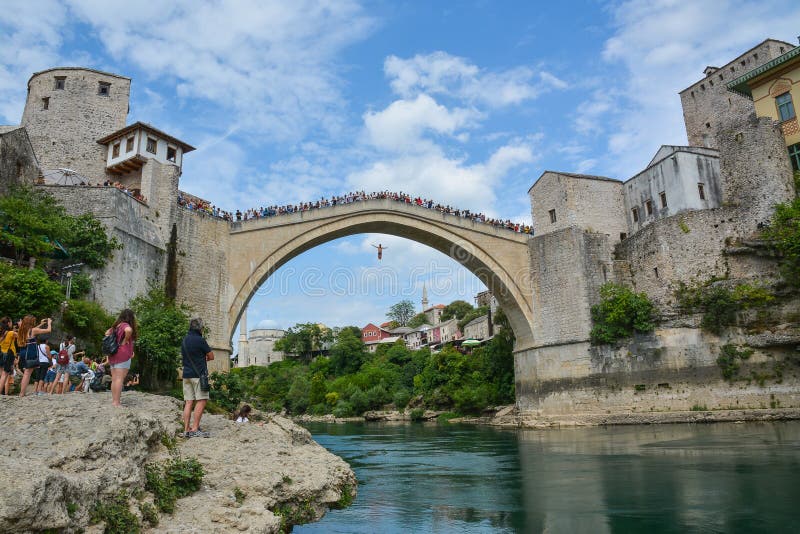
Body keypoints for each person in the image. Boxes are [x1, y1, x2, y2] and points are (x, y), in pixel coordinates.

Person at [181, 318, 214, 438]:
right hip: (199, 375)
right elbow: (211, 356)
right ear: (200, 328)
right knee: (202, 400)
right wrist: (203, 358)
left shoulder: (184, 340)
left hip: (186, 375)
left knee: (188, 402)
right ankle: (195, 429)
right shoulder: (200, 340)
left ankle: (186, 430)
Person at [105, 309, 137, 407]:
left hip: (113, 354)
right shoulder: (125, 325)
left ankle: (114, 400)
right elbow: (128, 330)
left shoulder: (116, 326)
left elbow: (106, 333)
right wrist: (125, 340)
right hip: (123, 354)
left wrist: (115, 341)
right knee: (119, 379)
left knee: (114, 379)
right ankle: (116, 402)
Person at [17, 316, 51, 397]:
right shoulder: (33, 330)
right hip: (30, 353)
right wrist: (49, 323)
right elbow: (48, 330)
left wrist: (41, 324)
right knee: (27, 373)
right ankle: (21, 393)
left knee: (26, 372)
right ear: (31, 322)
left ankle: (22, 392)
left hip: (23, 353)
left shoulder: (21, 331)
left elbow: (33, 330)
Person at [0, 317, 16, 395]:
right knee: (5, 375)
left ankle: (3, 393)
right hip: (9, 354)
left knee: (1, 375)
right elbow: (22, 337)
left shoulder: (1, 333)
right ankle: (2, 393)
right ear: (9, 323)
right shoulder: (11, 333)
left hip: (1, 354)